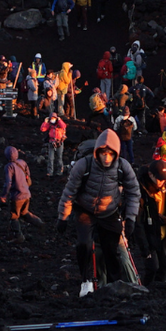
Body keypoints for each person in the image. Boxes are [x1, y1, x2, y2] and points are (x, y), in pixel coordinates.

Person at [57, 127, 141, 299]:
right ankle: (86, 281)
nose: (106, 157)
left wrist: (131, 218)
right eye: (103, 153)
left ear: (116, 153)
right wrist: (63, 217)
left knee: (112, 250)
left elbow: (134, 192)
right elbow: (70, 192)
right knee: (84, 245)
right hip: (85, 210)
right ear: (97, 152)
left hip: (109, 212)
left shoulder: (123, 167)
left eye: (110, 154)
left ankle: (113, 284)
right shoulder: (84, 165)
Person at [3, 147, 33, 236]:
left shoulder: (9, 167)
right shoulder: (22, 162)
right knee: (24, 212)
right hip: (27, 194)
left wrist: (4, 195)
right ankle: (40, 225)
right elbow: (28, 174)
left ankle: (18, 236)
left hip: (17, 196)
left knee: (14, 216)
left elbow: (8, 182)